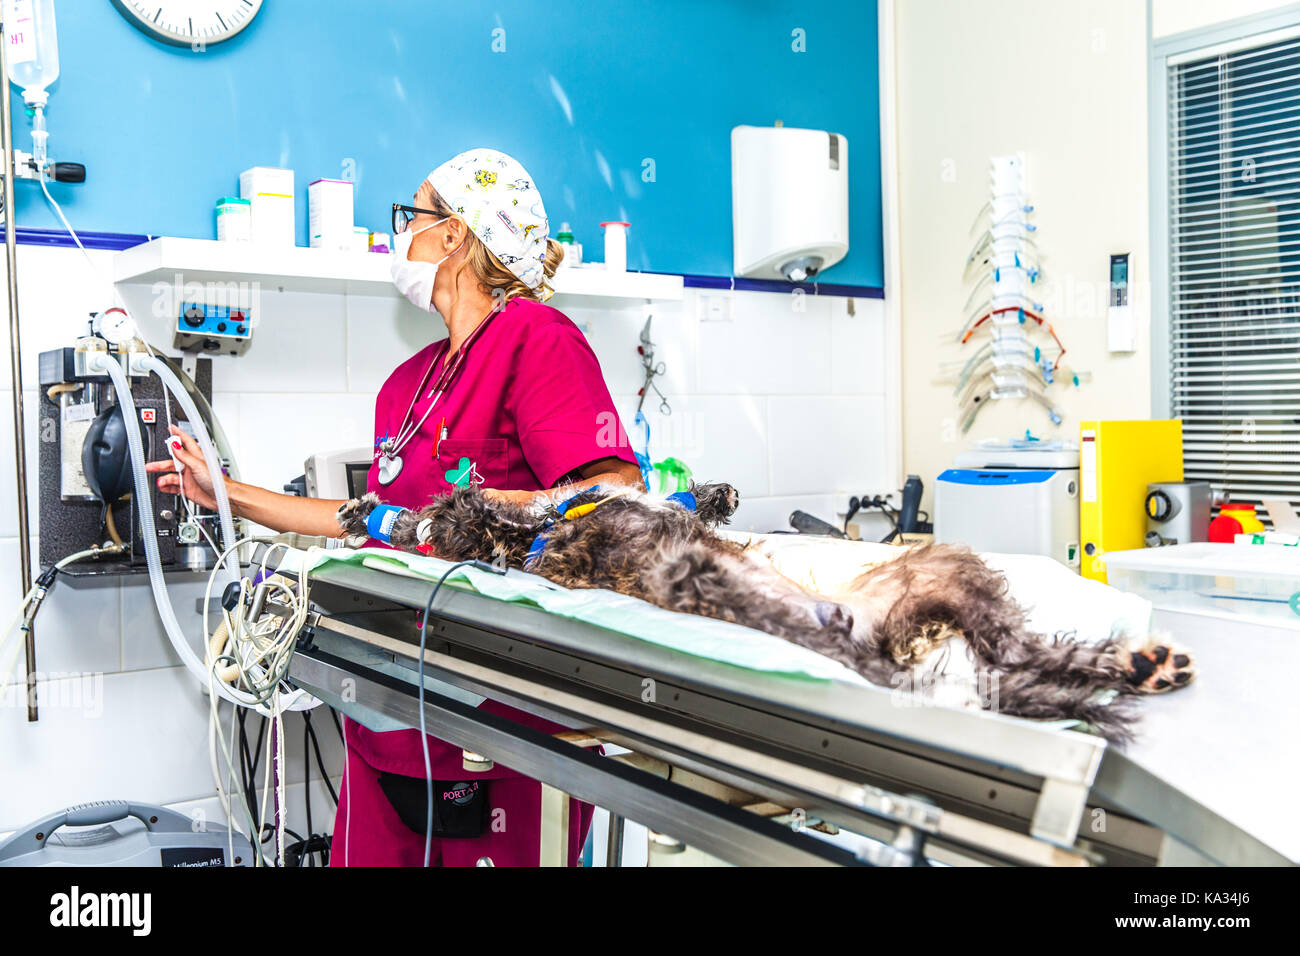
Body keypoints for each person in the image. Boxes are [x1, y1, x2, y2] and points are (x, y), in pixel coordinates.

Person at [149, 148, 642, 865]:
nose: (400, 231)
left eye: (413, 212)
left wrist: (480, 511)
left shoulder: (537, 340)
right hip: (391, 709)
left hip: (501, 723)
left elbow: (612, 497)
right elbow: (370, 522)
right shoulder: (409, 383)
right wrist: (225, 491)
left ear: (456, 235)